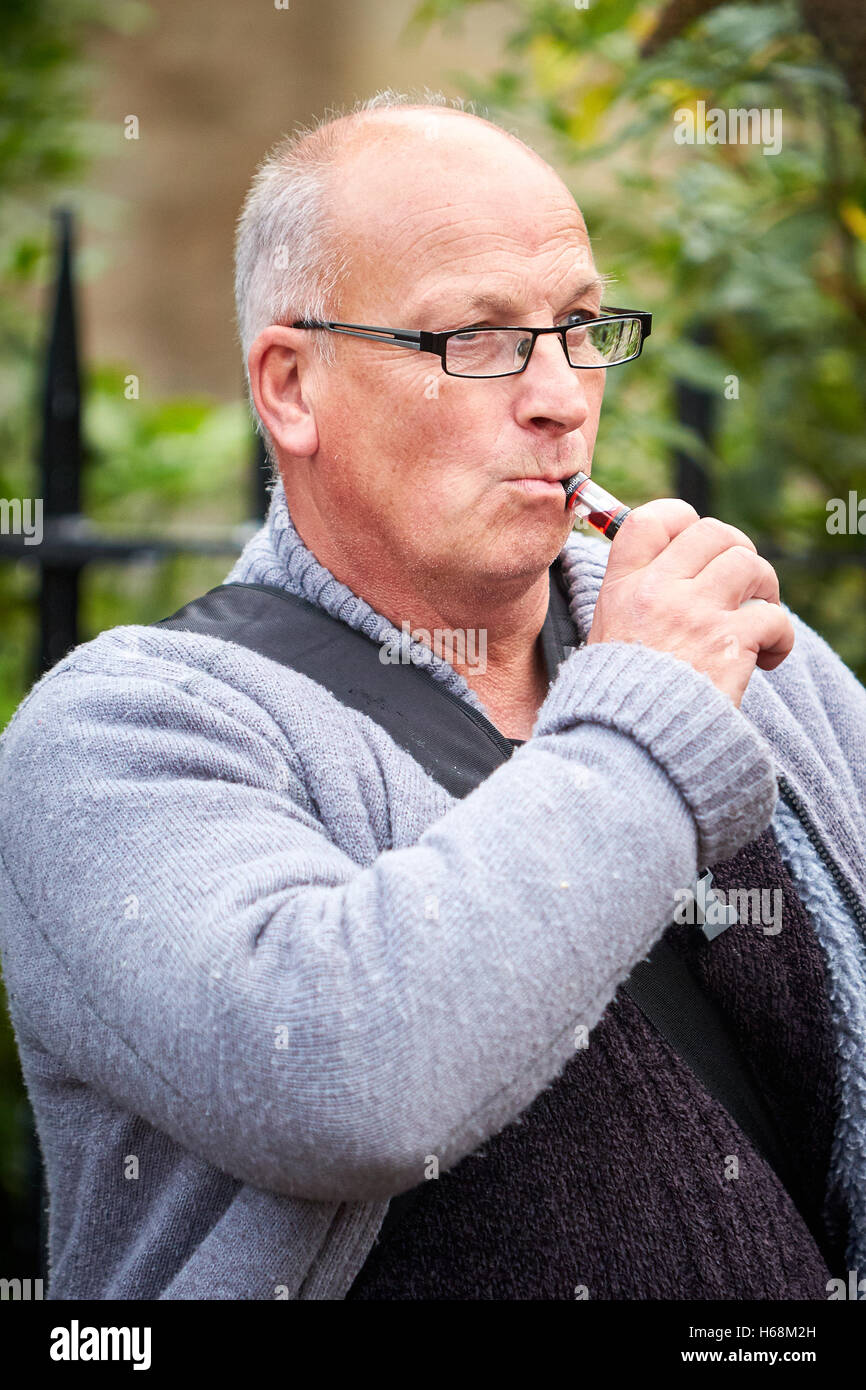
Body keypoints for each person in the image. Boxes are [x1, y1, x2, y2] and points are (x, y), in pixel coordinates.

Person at [1, 90, 865, 1301]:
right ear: (290, 387)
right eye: (477, 339)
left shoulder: (747, 666)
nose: (561, 393)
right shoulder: (119, 736)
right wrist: (648, 721)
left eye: (579, 325)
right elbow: (342, 1083)